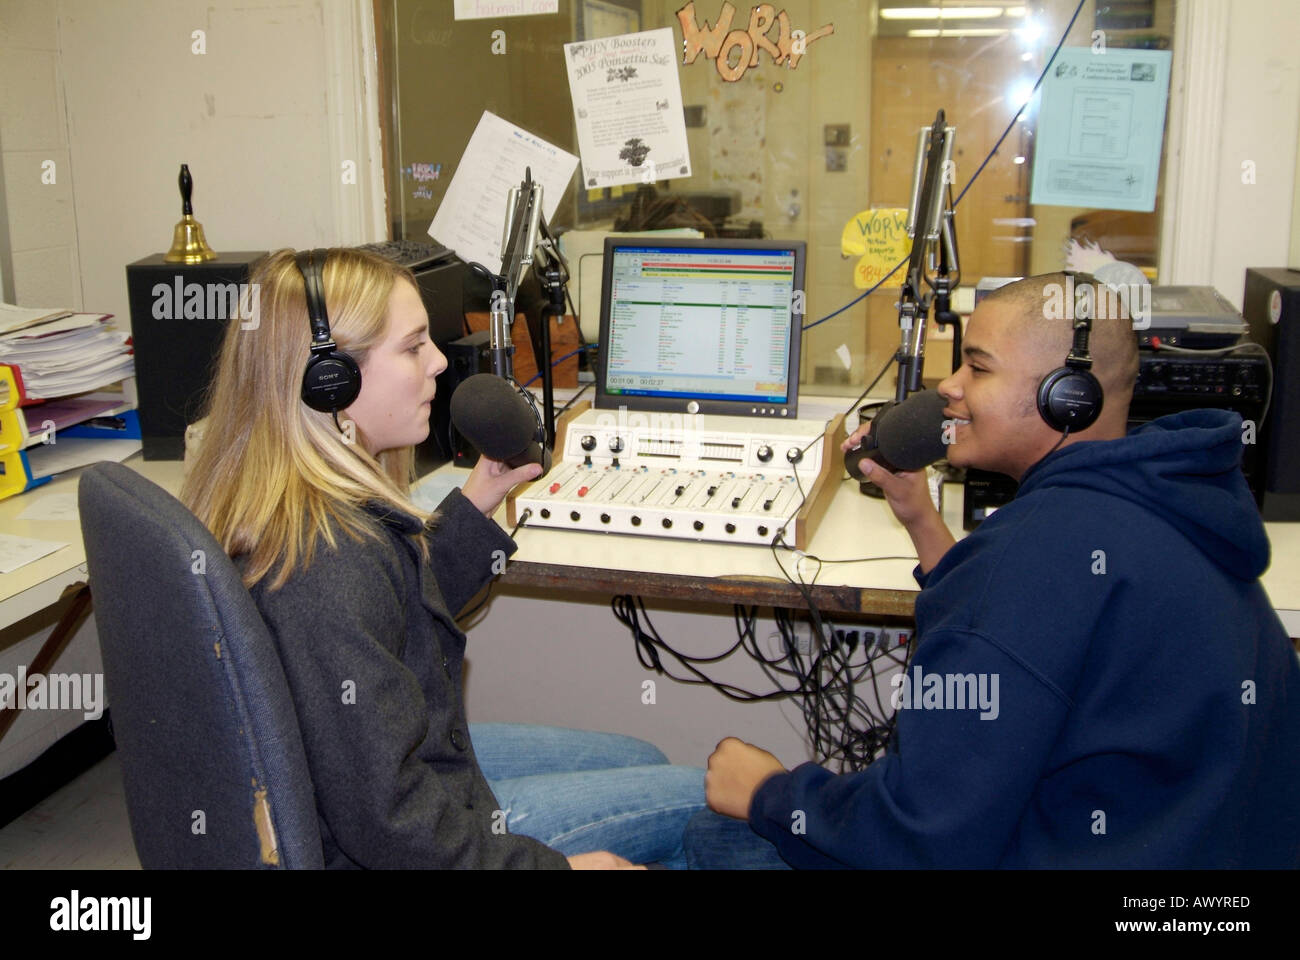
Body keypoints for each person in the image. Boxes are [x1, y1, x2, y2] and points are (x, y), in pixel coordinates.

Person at [687, 272, 1300, 868]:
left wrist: (771, 793)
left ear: (1067, 398)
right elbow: (1031, 630)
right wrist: (925, 524)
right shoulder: (1171, 500)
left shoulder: (1031, 552)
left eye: (977, 368)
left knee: (716, 834)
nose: (949, 387)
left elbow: (918, 839)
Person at [181, 247, 705, 869]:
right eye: (412, 347)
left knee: (638, 755)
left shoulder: (300, 510)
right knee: (699, 796)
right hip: (399, 830)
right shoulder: (328, 563)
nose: (437, 362)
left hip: (387, 776)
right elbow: (390, 824)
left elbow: (387, 621)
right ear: (331, 380)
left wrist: (476, 503)